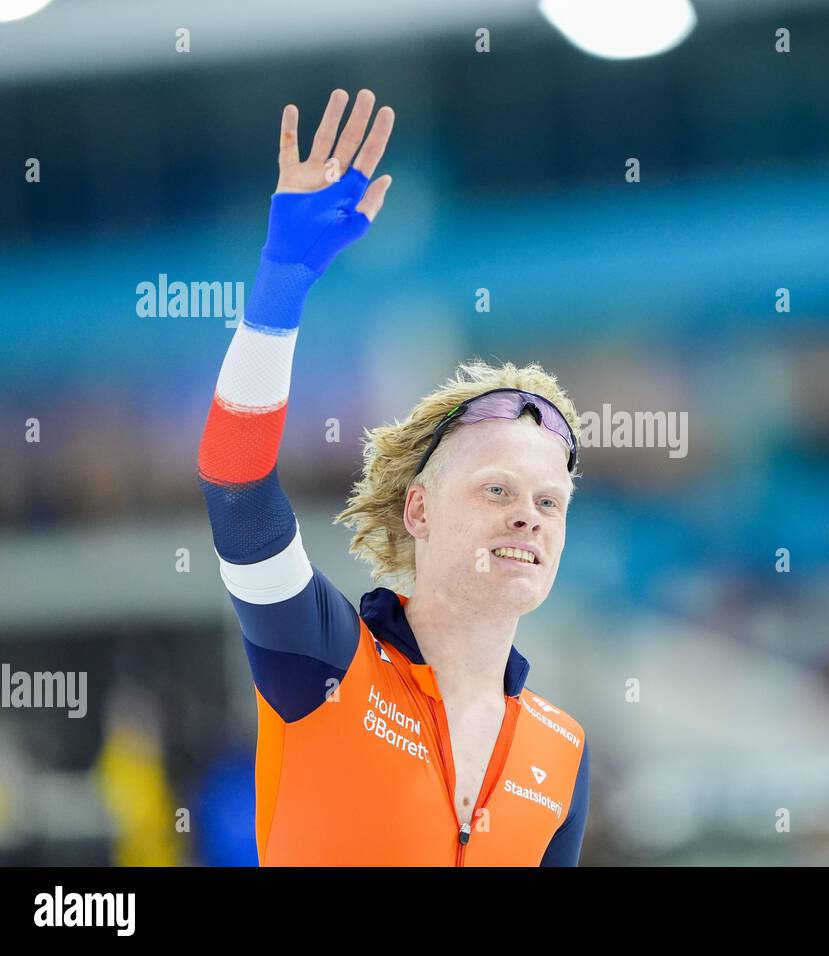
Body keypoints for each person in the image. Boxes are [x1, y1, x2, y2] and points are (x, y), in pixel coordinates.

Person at [196, 88, 589, 866]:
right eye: (497, 489)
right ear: (419, 510)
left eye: (550, 501)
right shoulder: (322, 660)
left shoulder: (562, 752)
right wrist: (282, 283)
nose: (530, 518)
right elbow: (236, 488)